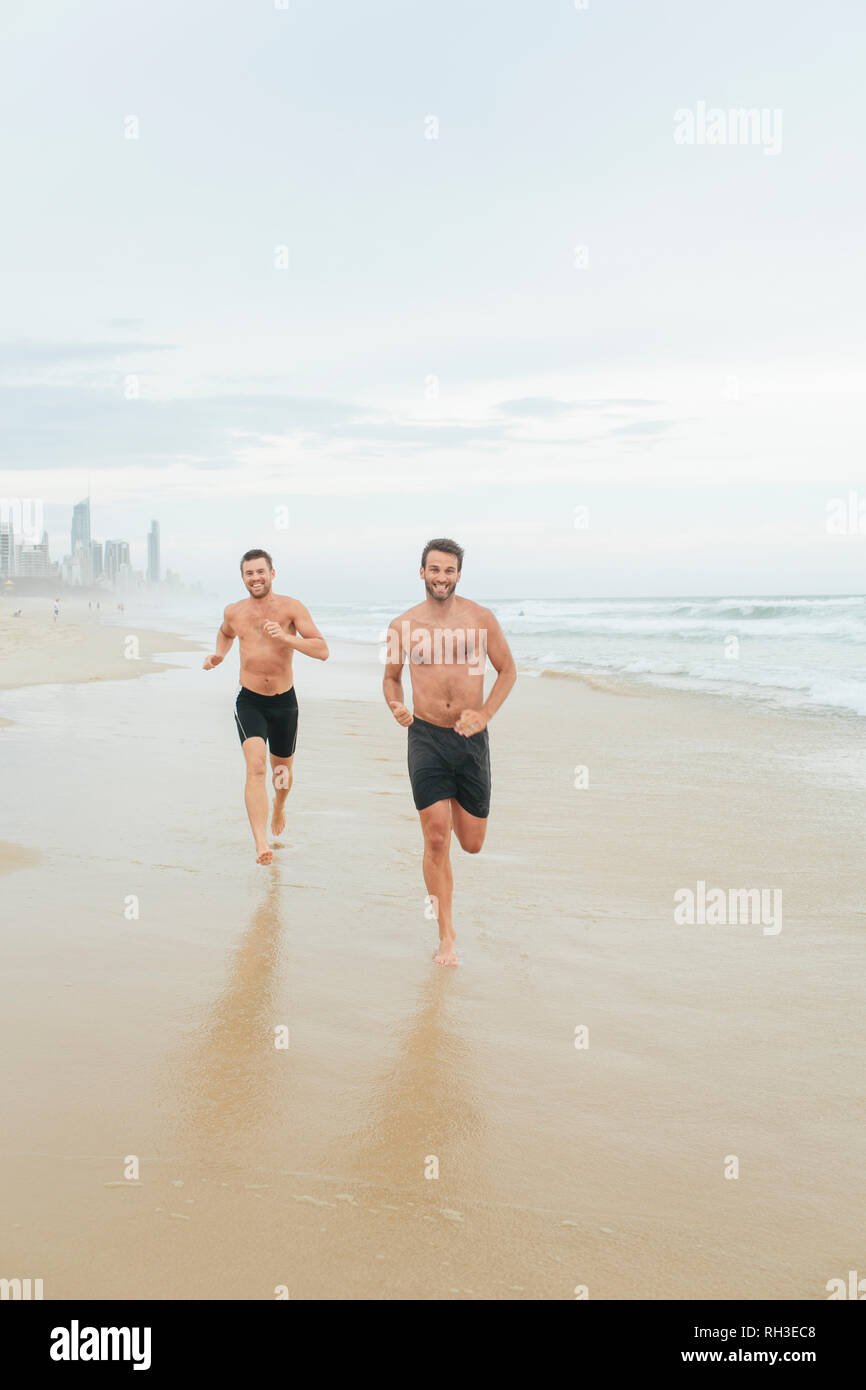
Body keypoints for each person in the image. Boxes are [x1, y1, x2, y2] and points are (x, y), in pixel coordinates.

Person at [383, 538, 516, 965]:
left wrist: (485, 715)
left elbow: (508, 670)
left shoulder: (481, 619)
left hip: (470, 738)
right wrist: (397, 706)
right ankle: (446, 936)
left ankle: (454, 827)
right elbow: (391, 678)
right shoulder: (401, 627)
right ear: (421, 572)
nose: (442, 578)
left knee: (472, 843)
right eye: (434, 569)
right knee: (436, 838)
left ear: (459, 574)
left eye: (449, 571)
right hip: (424, 736)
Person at [203, 549, 329, 864]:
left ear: (272, 573)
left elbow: (323, 650)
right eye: (249, 573)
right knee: (257, 766)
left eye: (261, 572)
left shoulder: (291, 608)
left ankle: (280, 806)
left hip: (285, 703)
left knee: (282, 774)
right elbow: (224, 632)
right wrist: (219, 654)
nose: (255, 578)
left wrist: (288, 639)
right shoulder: (234, 611)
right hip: (250, 701)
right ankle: (261, 844)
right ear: (243, 577)